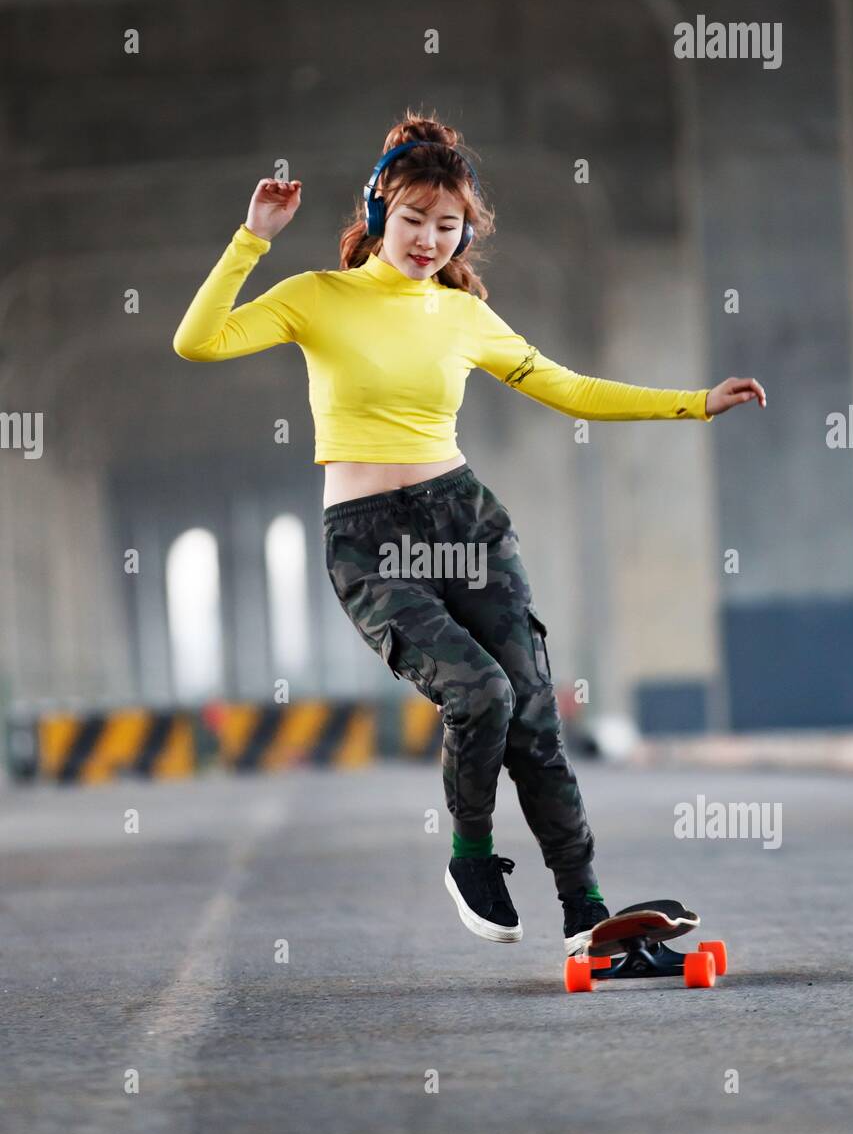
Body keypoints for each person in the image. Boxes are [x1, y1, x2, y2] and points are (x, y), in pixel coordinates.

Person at [173, 110, 766, 957]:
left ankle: (587, 916)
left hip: (466, 522)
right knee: (478, 692)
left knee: (534, 717)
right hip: (370, 543)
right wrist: (252, 239)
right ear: (380, 213)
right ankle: (471, 855)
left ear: (464, 232)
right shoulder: (316, 298)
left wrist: (693, 402)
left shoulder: (465, 318)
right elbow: (196, 343)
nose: (427, 240)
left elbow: (571, 389)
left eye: (446, 226)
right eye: (413, 220)